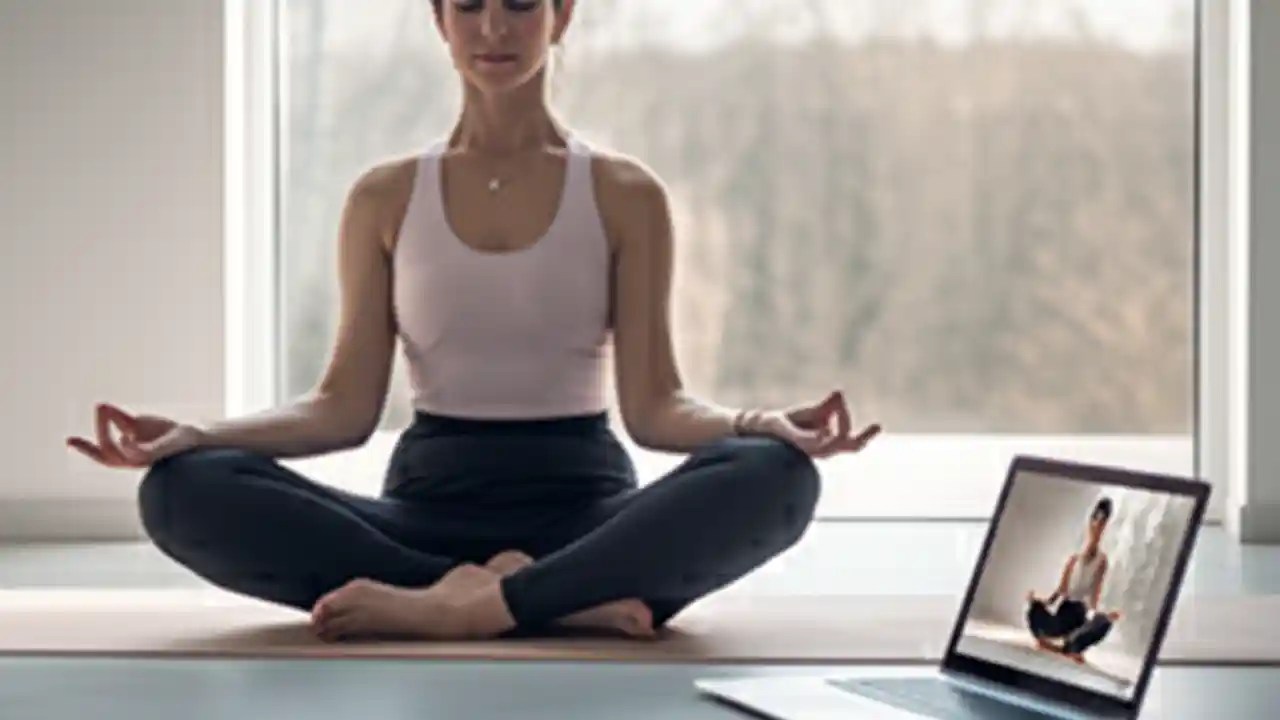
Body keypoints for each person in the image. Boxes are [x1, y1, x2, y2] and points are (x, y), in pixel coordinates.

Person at [65, 0, 883, 643]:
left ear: (562, 15)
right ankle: (549, 602)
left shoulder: (625, 195)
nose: (494, 28)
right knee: (182, 491)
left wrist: (759, 424)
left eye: (521, 4)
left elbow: (657, 409)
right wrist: (198, 436)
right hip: (425, 515)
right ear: (439, 19)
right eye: (469, 5)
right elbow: (341, 409)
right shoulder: (384, 196)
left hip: (583, 512)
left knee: (775, 477)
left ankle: (465, 606)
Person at [1025, 497, 1124, 664]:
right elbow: (1058, 593)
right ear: (1090, 522)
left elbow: (1094, 598)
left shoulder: (1102, 561)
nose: (1097, 526)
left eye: (1102, 522)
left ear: (1105, 527)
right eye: (1095, 520)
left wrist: (1103, 615)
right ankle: (1061, 646)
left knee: (1104, 622)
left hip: (1079, 614)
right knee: (1033, 609)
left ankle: (1067, 646)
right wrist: (1037, 600)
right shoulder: (1073, 559)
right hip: (1063, 613)